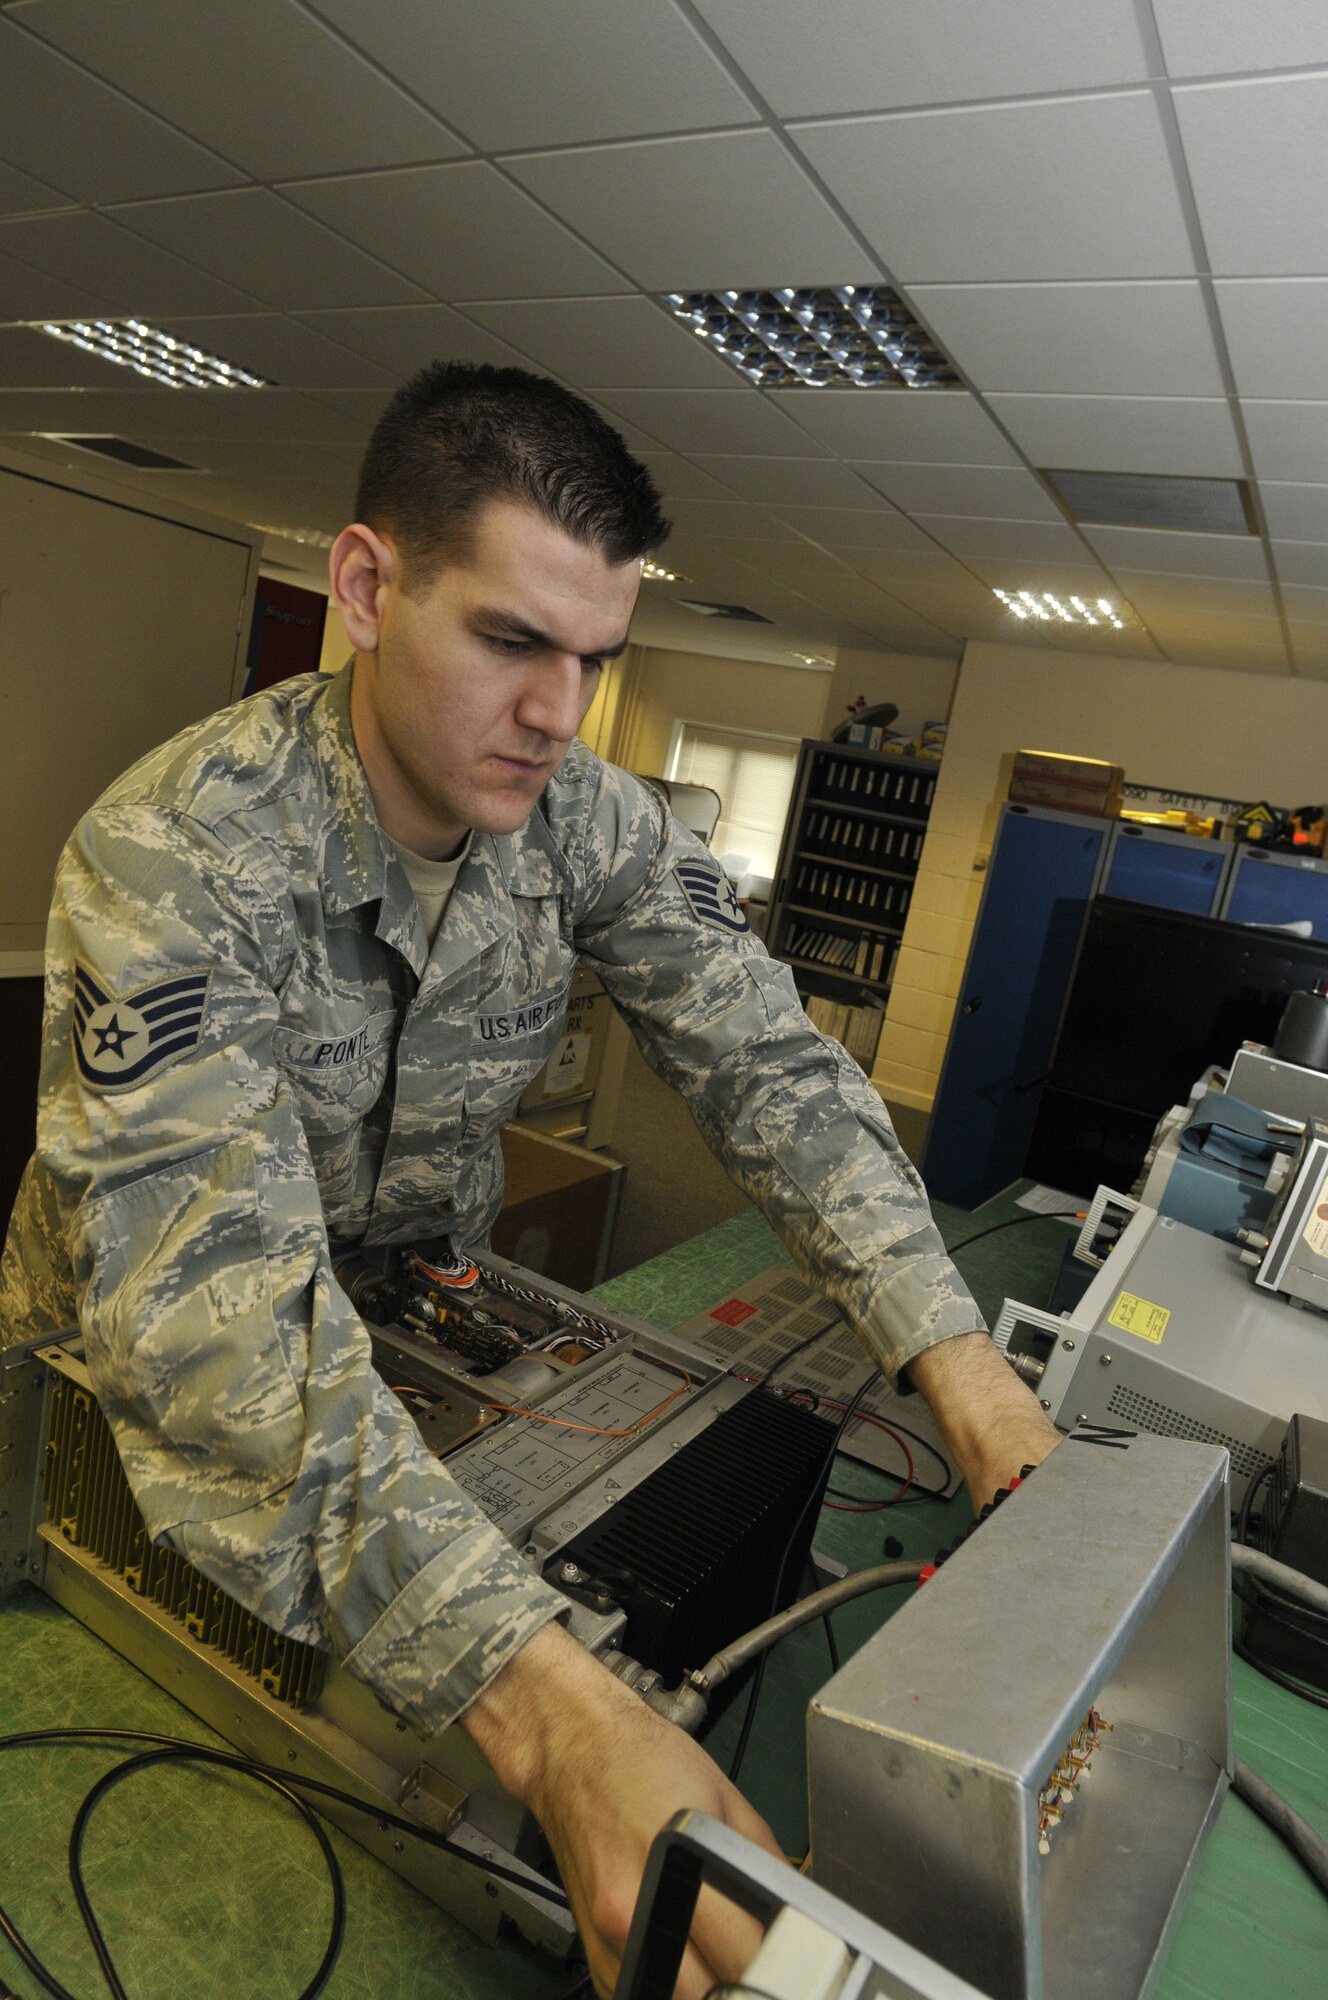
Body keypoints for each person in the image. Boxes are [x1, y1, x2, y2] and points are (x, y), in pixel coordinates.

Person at [0, 362, 1057, 1998]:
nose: (562, 713)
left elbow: (771, 1071)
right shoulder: (177, 857)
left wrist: (962, 1362)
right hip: (108, 1417)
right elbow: (215, 1331)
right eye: (510, 640)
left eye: (594, 659)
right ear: (366, 588)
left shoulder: (592, 824)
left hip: (405, 1371)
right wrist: (557, 1717)